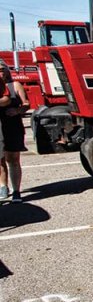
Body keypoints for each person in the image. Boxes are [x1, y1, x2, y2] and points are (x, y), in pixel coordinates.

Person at [0, 59, 29, 203]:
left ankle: (16, 191)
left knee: (13, 159)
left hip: (13, 126)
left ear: (7, 70)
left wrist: (17, 110)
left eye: (2, 69)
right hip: (0, 126)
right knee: (0, 160)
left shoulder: (15, 85)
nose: (1, 72)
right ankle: (3, 187)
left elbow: (26, 104)